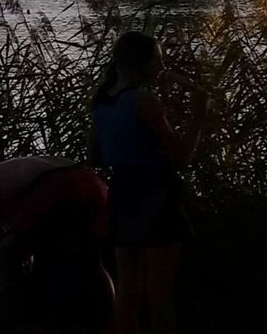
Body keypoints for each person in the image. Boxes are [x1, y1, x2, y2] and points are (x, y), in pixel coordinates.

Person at [90, 32, 212, 334]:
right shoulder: (143, 100)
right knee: (160, 293)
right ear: (141, 63)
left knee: (127, 287)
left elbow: (95, 155)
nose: (162, 65)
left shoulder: (101, 102)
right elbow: (182, 156)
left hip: (122, 193)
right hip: (155, 193)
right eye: (157, 59)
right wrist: (199, 116)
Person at [0, 155, 112, 333]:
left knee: (5, 259)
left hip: (53, 184)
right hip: (90, 181)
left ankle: (9, 324)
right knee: (91, 260)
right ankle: (109, 319)